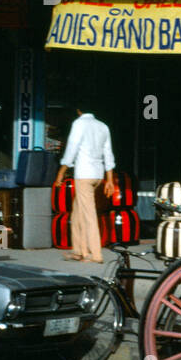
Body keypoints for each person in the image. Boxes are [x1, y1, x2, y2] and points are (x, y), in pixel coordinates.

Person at [53, 106, 116, 264]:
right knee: (77, 212)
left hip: (84, 174)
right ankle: (79, 250)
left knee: (88, 214)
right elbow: (108, 152)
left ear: (78, 110)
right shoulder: (103, 126)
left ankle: (95, 254)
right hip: (98, 175)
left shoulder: (79, 124)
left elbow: (71, 149)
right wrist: (109, 179)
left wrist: (62, 171)